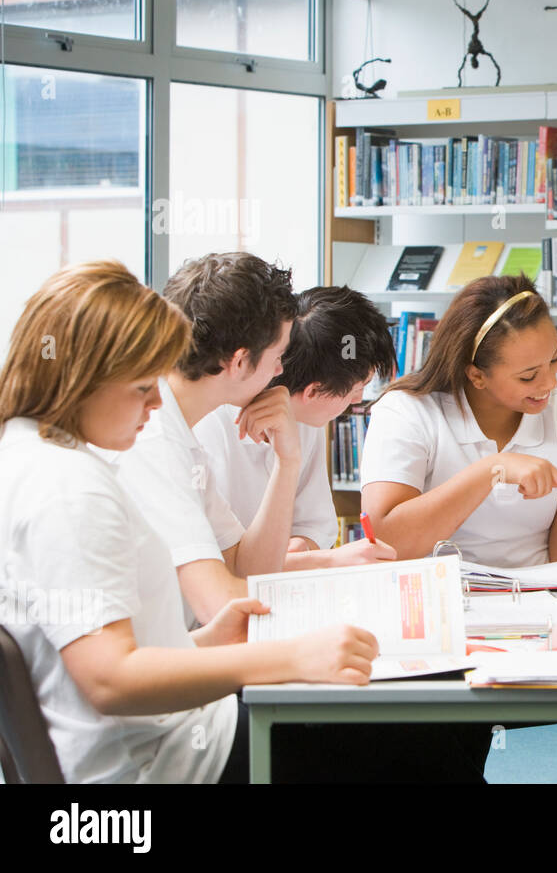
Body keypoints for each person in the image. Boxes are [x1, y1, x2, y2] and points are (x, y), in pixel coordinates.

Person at [0, 261, 377, 783]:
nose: (156, 400)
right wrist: (291, 657)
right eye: (140, 387)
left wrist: (204, 644)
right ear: (86, 379)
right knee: (394, 737)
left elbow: (87, 657)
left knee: (397, 738)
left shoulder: (40, 455)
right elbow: (109, 680)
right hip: (158, 764)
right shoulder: (68, 487)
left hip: (167, 737)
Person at [114, 253, 392, 627]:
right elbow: (221, 608)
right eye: (278, 356)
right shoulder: (156, 440)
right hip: (157, 661)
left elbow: (249, 571)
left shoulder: (180, 435)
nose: (281, 371)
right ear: (240, 362)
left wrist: (287, 461)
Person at [361, 274, 557, 564]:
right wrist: (491, 470)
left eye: (554, 360)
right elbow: (386, 545)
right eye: (528, 376)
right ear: (476, 375)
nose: (550, 383)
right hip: (431, 599)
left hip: (537, 601)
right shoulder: (406, 411)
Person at [194, 285, 397, 561]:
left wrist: (305, 544)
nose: (357, 402)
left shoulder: (306, 420)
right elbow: (225, 563)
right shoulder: (210, 422)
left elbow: (316, 522)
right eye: (355, 390)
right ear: (313, 392)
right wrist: (322, 561)